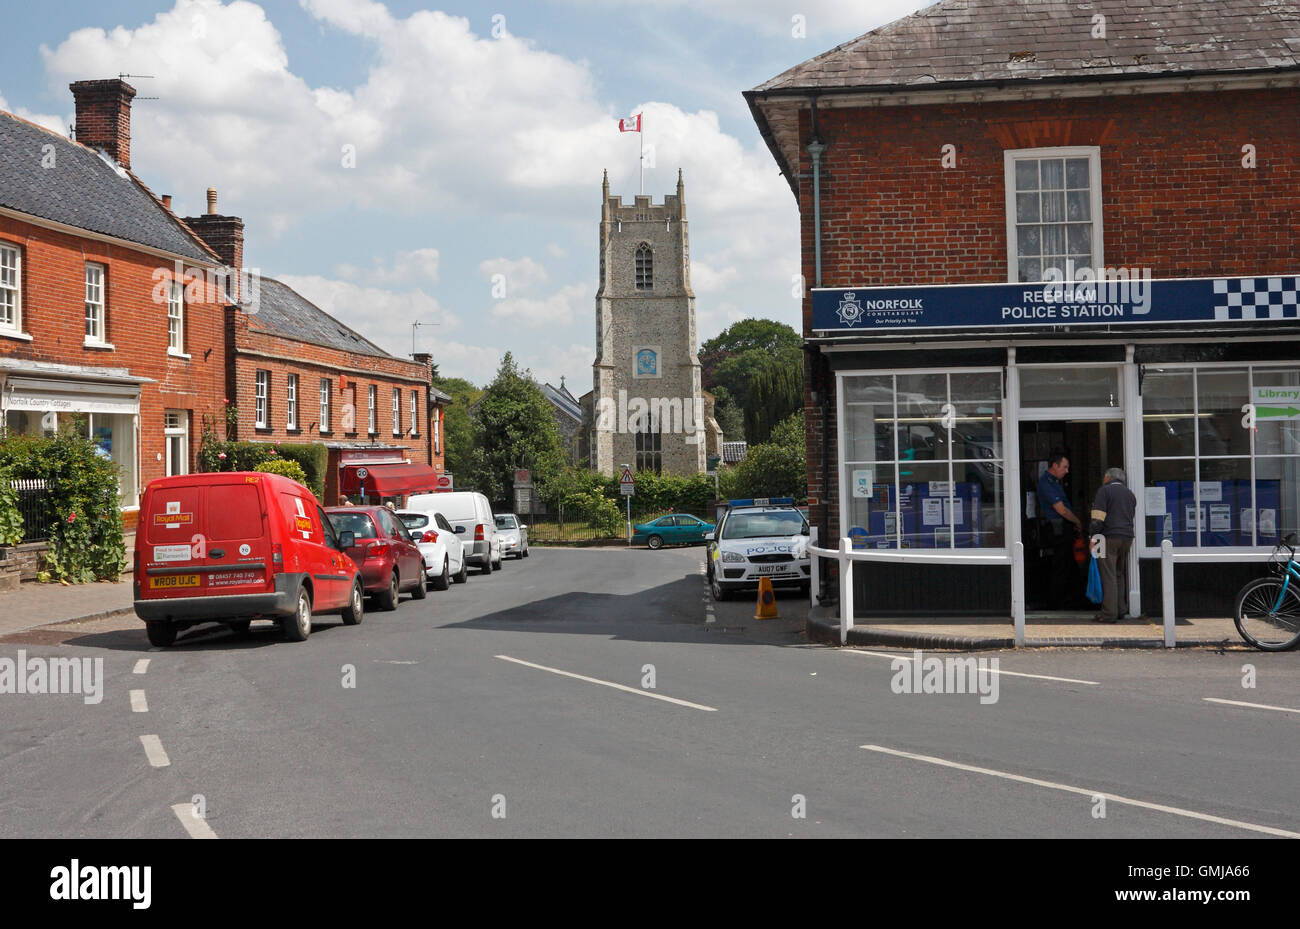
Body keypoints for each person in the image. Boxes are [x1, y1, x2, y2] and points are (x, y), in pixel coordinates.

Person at [1037, 450, 1084, 609]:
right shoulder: (1046, 483)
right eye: (1064, 467)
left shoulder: (1054, 482)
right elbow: (1061, 510)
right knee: (1060, 566)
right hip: (1057, 530)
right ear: (1055, 466)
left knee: (1067, 565)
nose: (1067, 471)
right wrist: (1077, 520)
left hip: (1063, 529)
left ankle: (1072, 599)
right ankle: (1056, 603)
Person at [1089, 466, 1137, 623]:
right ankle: (1121, 609)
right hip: (1127, 538)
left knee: (1108, 574)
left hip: (1107, 538)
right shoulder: (1130, 494)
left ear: (1107, 478)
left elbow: (1098, 518)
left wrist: (1093, 538)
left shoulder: (1104, 491)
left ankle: (1109, 613)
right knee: (1118, 573)